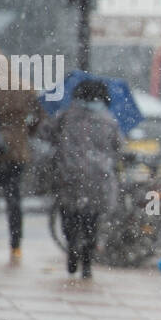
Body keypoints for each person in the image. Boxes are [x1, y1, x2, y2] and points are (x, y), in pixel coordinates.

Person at [41, 79, 121, 278]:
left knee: (69, 216)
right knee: (91, 220)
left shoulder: (66, 116)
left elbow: (46, 133)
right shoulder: (109, 120)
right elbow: (118, 147)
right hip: (98, 177)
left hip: (69, 174)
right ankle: (87, 262)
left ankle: (72, 248)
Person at [0, 54, 44, 263]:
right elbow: (40, 117)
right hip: (18, 149)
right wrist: (26, 132)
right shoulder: (26, 88)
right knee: (14, 199)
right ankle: (16, 245)